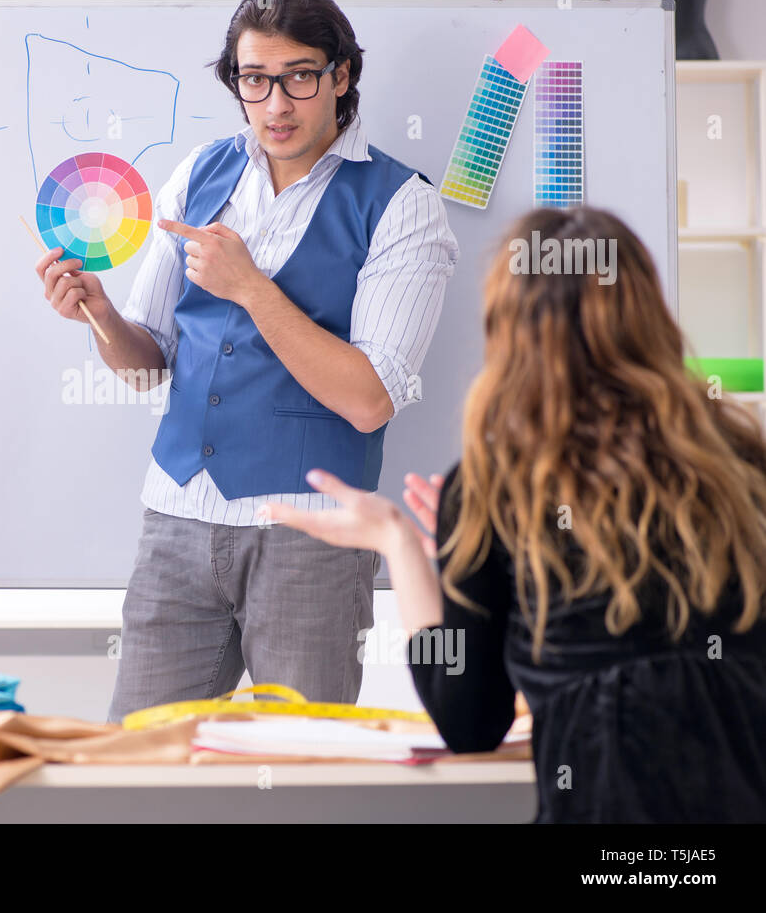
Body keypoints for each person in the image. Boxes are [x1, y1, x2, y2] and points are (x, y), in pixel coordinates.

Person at [34, 0, 457, 722]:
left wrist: (253, 288)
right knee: (139, 768)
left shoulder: (401, 204)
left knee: (303, 776)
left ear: (341, 74)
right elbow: (146, 363)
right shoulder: (200, 173)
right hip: (176, 520)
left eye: (298, 77)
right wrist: (100, 317)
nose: (276, 105)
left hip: (311, 537)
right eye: (254, 81)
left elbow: (368, 399)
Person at [263, 205, 766, 822]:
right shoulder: (743, 460)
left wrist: (403, 545)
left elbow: (469, 722)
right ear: (648, 317)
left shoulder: (492, 489)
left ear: (510, 332)